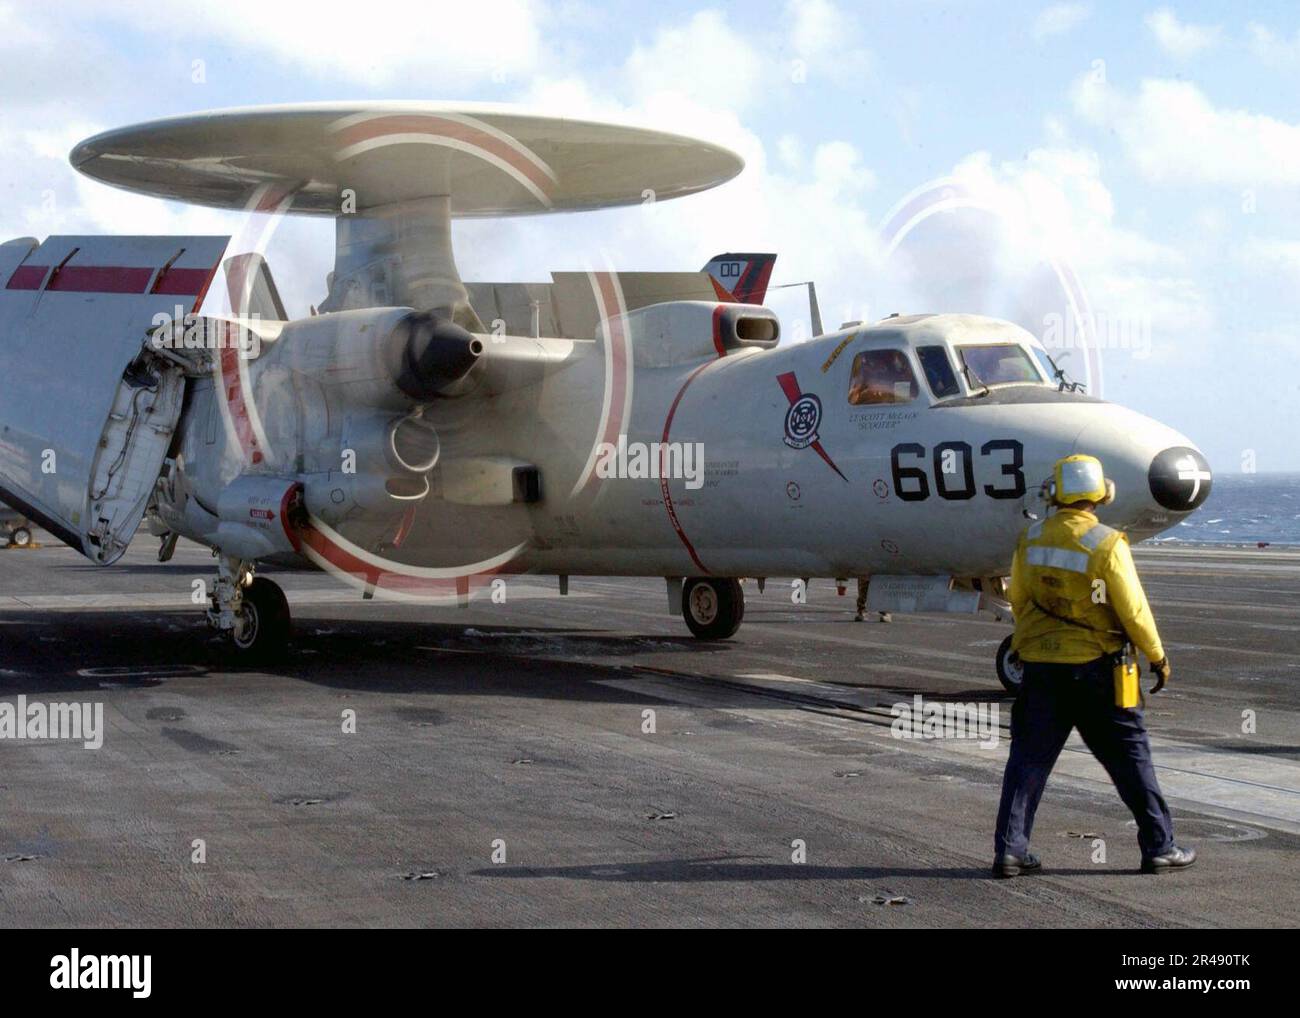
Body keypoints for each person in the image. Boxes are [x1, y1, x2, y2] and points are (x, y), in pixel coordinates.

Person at [993, 455, 1195, 877]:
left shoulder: (1030, 540)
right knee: (1130, 761)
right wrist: (1157, 656)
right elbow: (1133, 610)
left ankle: (1011, 851)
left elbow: (1018, 600)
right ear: (1102, 493)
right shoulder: (1106, 543)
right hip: (1100, 672)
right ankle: (1160, 846)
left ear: (1055, 493)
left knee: (1027, 762)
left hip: (1043, 672)